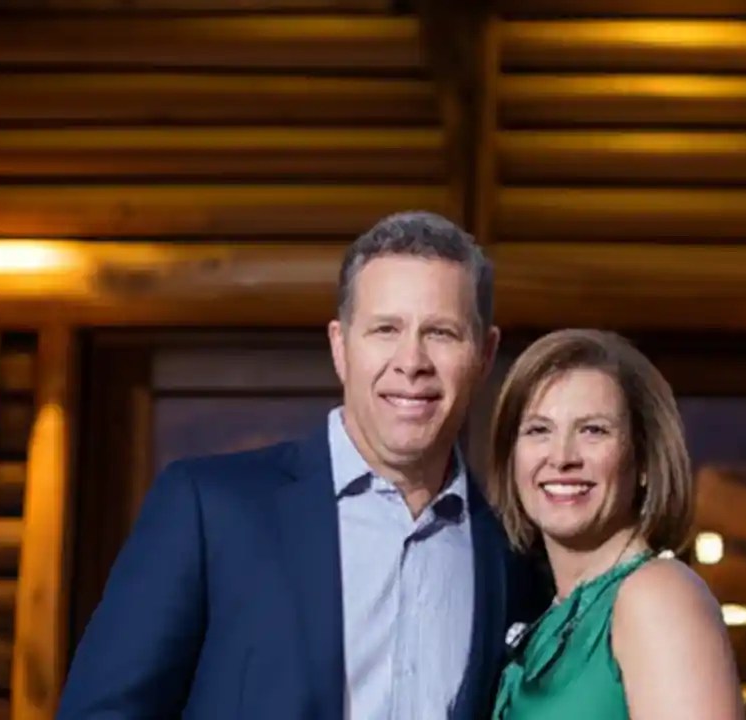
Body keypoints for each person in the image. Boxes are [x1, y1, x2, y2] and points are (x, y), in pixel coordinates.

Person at [58, 211, 547, 719]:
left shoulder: (511, 558)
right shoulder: (208, 510)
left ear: (485, 353)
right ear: (340, 346)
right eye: (385, 329)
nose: (411, 361)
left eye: (441, 333)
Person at [487, 329, 743, 720]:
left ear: (643, 461)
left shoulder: (658, 596)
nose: (561, 457)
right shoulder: (554, 615)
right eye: (539, 430)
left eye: (593, 430)